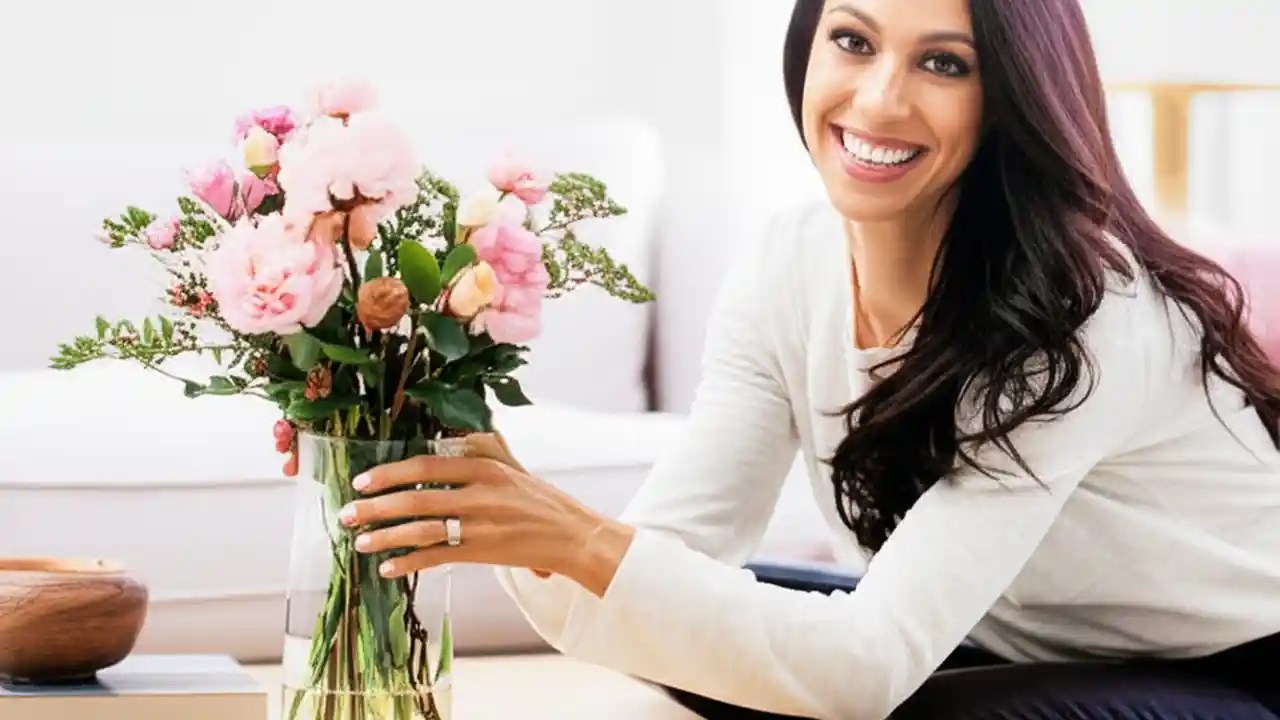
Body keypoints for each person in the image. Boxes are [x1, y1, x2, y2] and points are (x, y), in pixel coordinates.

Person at [334, 0, 1280, 716]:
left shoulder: (1083, 314)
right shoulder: (788, 262)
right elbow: (647, 576)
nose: (879, 99)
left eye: (944, 64)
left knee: (827, 681)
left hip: (1228, 667)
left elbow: (863, 671)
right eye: (854, 41)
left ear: (1011, 101)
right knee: (695, 621)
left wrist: (582, 542)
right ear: (805, 49)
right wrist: (503, 511)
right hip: (983, 638)